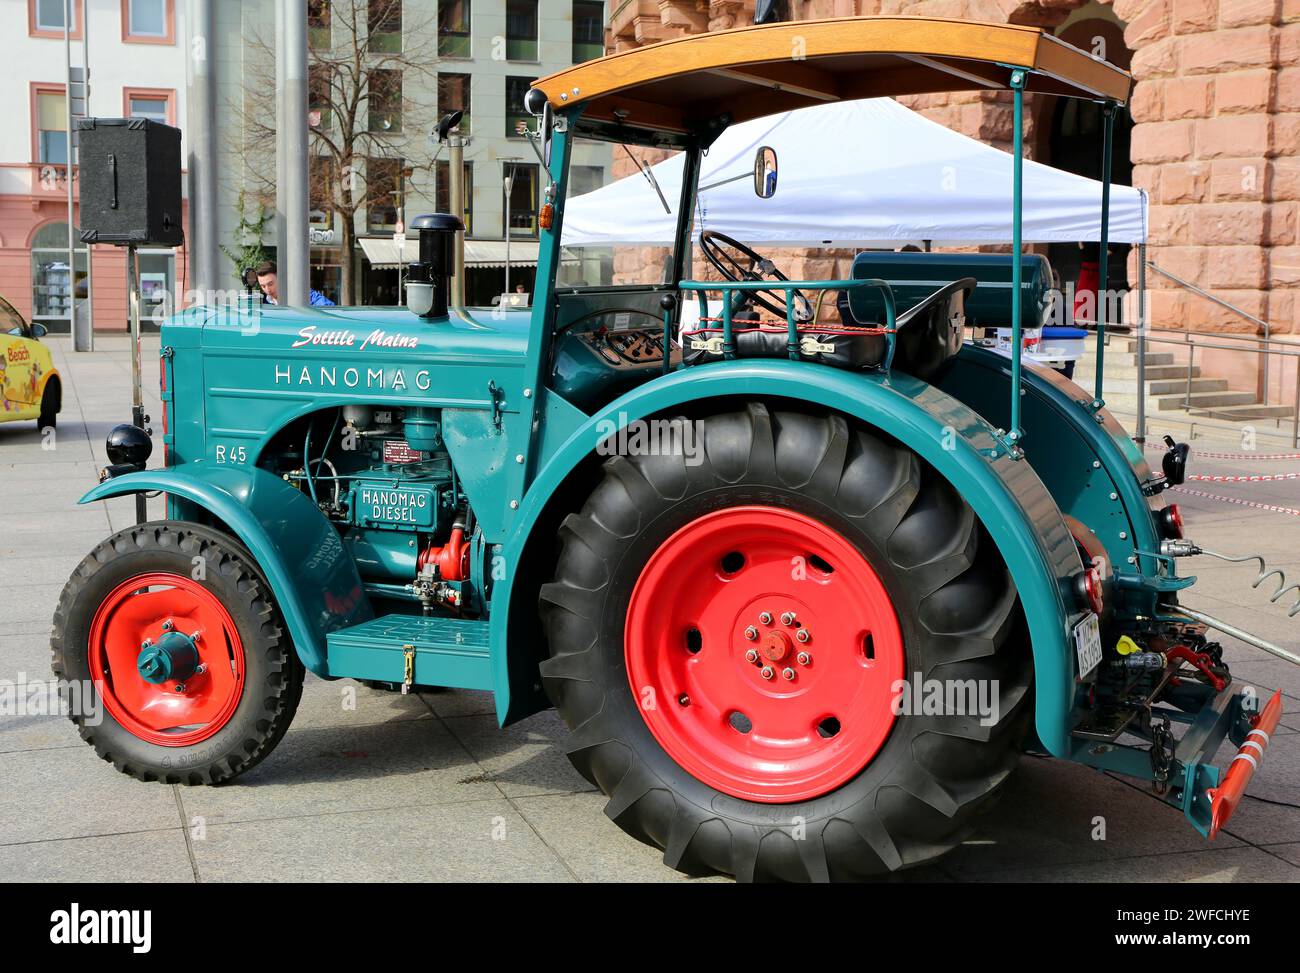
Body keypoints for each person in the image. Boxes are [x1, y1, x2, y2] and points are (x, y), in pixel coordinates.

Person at [253, 260, 335, 307]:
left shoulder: (300, 294)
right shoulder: (261, 302)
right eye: (263, 286)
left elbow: (329, 307)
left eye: (270, 284)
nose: (267, 289)